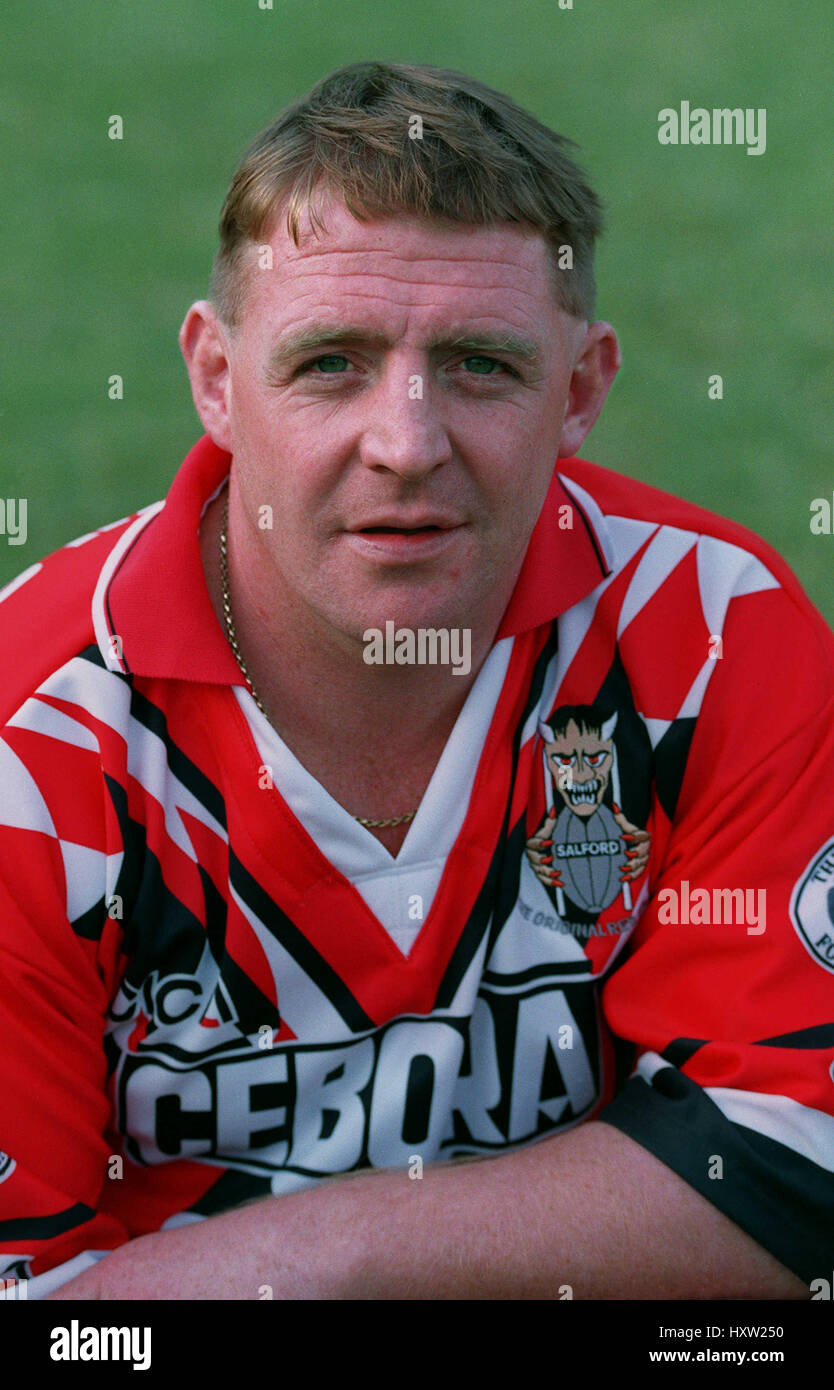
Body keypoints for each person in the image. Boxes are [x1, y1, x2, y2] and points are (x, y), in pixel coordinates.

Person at [0, 60, 830, 1301]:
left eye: (481, 366)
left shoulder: (710, 634)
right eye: (331, 361)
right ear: (217, 380)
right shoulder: (33, 729)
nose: (406, 442)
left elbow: (794, 1165)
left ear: (582, 387)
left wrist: (312, 1254)